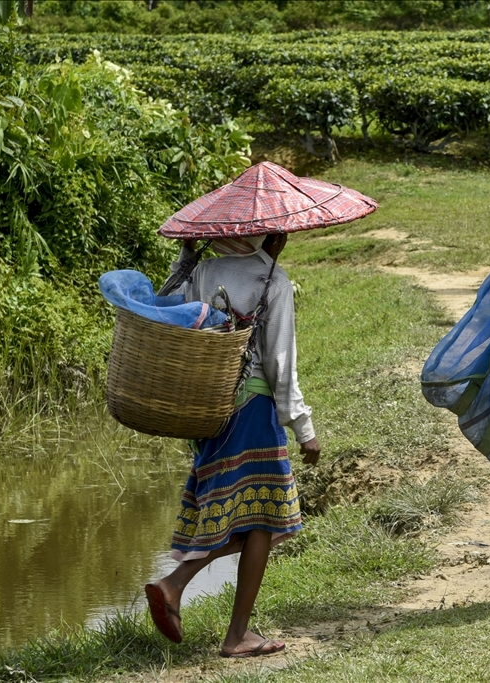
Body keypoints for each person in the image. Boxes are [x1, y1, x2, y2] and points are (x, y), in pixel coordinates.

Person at [144, 233, 320, 658]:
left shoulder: (204, 271)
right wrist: (303, 427)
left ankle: (188, 593)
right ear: (273, 234)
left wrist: (184, 259)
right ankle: (222, 622)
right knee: (263, 517)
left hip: (210, 408)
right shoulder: (272, 281)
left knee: (250, 517)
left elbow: (169, 309)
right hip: (254, 410)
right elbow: (280, 363)